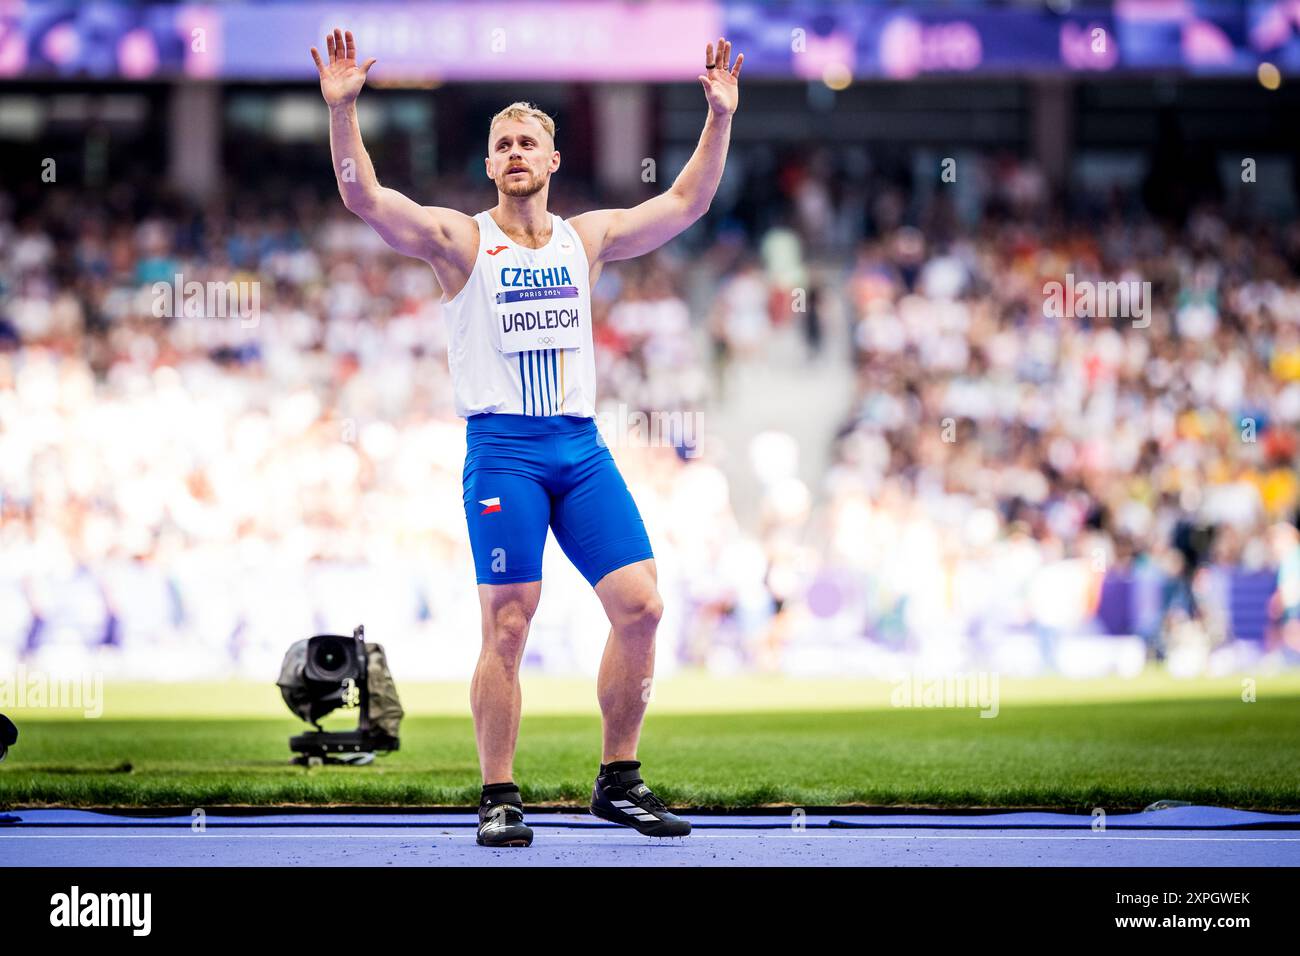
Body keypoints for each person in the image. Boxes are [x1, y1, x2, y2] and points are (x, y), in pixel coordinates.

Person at [311, 28, 743, 846]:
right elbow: (367, 198)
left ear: (551, 161)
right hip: (504, 449)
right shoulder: (464, 242)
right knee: (508, 623)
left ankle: (618, 779)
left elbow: (685, 203)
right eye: (501, 143)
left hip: (581, 450)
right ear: (489, 167)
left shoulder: (589, 240)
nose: (514, 152)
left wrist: (717, 118)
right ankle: (499, 795)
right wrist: (343, 114)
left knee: (644, 608)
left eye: (528, 142)